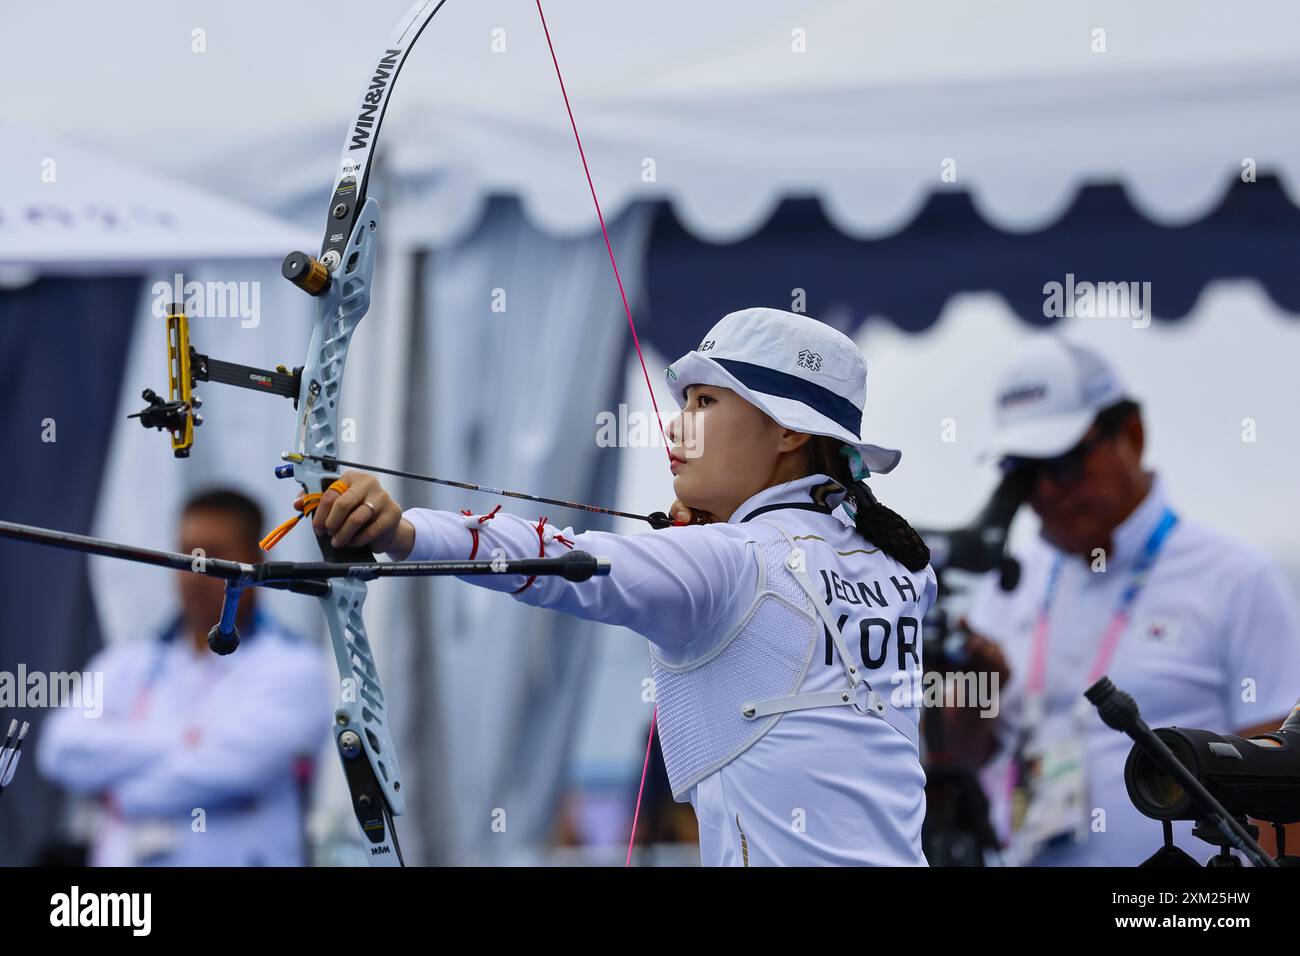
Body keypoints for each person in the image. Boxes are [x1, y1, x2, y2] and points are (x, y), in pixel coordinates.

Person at [310, 307, 938, 866]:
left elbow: (562, 558)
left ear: (789, 431)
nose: (676, 428)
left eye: (706, 403)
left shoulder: (730, 561)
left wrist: (406, 530)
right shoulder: (902, 568)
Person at [959, 335, 1300, 866]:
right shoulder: (1013, 582)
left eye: (1066, 462)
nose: (1047, 490)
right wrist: (971, 693)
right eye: (1023, 473)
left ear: (1132, 436)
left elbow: (1286, 787)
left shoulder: (1236, 578)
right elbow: (962, 756)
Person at [38, 490, 332, 866]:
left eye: (215, 554)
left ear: (257, 561)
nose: (198, 570)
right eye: (188, 553)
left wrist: (117, 793)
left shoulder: (296, 667)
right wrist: (189, 737)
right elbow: (61, 749)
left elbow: (234, 769)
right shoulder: (127, 661)